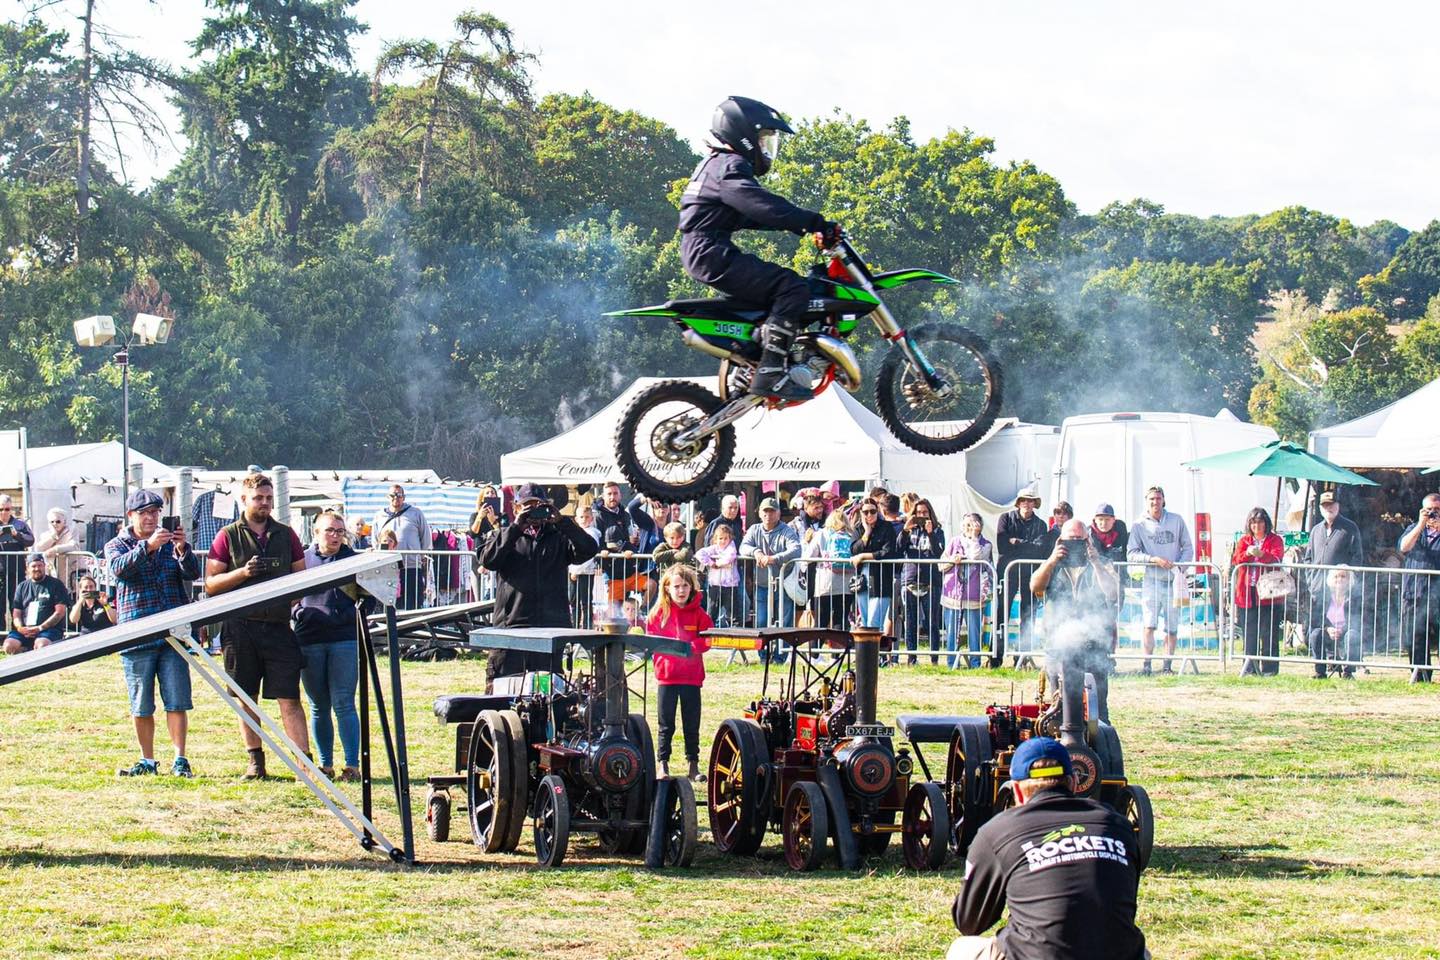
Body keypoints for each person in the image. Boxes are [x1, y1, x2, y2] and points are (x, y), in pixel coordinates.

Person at [678, 95, 840, 401]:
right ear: (744, 134)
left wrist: (799, 225)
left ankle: (760, 354)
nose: (767, 148)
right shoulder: (730, 165)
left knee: (772, 297)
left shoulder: (714, 165)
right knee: (791, 287)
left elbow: (750, 214)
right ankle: (770, 373)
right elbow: (761, 205)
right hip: (710, 252)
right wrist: (815, 222)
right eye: (763, 138)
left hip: (704, 249)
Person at [948, 737, 1148, 960]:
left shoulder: (997, 831)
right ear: (1073, 783)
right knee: (1141, 952)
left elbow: (969, 922)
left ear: (1017, 791)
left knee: (962, 948)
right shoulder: (1118, 825)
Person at [204, 471, 309, 780]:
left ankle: (305, 764)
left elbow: (302, 578)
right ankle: (256, 762)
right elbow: (211, 584)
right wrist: (243, 574)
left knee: (289, 696)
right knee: (244, 696)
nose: (264, 504)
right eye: (258, 498)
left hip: (277, 627)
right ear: (244, 500)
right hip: (239, 627)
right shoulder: (227, 535)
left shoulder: (286, 534)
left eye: (268, 498)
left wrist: (285, 601)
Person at [104, 489, 202, 778]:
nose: (151, 517)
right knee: (141, 702)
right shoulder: (116, 544)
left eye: (155, 512)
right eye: (144, 513)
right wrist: (147, 547)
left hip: (173, 632)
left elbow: (191, 574)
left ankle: (180, 758)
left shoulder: (168, 542)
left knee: (177, 699)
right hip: (137, 634)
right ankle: (147, 760)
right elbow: (119, 570)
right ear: (130, 516)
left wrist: (183, 550)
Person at [476, 483, 599, 689]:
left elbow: (588, 549)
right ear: (516, 508)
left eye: (538, 506)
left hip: (549, 629)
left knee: (548, 695)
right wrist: (516, 527)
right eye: (527, 506)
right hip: (512, 628)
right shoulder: (506, 535)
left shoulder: (559, 537)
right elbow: (488, 560)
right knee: (504, 690)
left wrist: (563, 522)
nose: (533, 511)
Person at [293, 511, 365, 782]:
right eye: (329, 530)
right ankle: (325, 765)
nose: (335, 535)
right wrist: (299, 612)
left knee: (344, 702)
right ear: (316, 533)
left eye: (339, 530)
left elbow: (369, 594)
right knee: (318, 705)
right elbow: (291, 592)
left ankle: (352, 765)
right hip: (309, 638)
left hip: (344, 639)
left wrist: (352, 615)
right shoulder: (303, 559)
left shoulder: (353, 559)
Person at [1031, 520, 1120, 722]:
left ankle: (1098, 749)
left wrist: (1096, 562)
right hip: (1058, 644)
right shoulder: (1052, 564)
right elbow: (1035, 586)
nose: (1075, 544)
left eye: (1079, 539)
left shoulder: (1102, 562)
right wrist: (1053, 560)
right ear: (1060, 540)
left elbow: (1113, 592)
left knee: (1097, 707)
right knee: (1058, 706)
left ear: (1088, 539)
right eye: (1070, 539)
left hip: (1093, 644)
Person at [645, 564, 713, 781]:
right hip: (667, 677)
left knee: (691, 723)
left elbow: (709, 638)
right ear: (667, 588)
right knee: (666, 724)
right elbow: (652, 640)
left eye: (685, 585)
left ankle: (693, 765)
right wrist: (669, 650)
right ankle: (662, 764)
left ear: (691, 587)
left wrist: (692, 647)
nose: (681, 590)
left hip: (692, 678)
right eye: (676, 586)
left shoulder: (700, 613)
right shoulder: (658, 613)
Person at [1127, 486, 1194, 675]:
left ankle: (1167, 665)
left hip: (1174, 582)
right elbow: (1131, 553)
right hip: (1151, 581)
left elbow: (1188, 547)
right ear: (1146, 501)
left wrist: (1179, 566)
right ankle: (1146, 665)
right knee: (1149, 624)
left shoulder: (1177, 520)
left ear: (1163, 500)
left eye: (1158, 498)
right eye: (1151, 499)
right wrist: (1152, 559)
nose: (1155, 502)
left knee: (1172, 627)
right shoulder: (1139, 525)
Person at [996, 488, 1050, 664]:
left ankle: (1023, 656)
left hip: (1030, 574)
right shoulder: (1005, 519)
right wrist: (1027, 546)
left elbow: (1040, 550)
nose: (1027, 504)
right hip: (1008, 572)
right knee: (1001, 613)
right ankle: (996, 656)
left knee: (1028, 614)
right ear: (1018, 503)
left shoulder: (1041, 525)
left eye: (1030, 501)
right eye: (1024, 501)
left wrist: (1017, 542)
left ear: (1035, 504)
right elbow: (1002, 545)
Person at [1231, 507, 1286, 677]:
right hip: (1247, 593)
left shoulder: (1275, 540)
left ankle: (1269, 669)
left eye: (1260, 521)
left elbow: (1276, 558)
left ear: (1266, 523)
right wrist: (1248, 553)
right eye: (1253, 522)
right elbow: (1236, 559)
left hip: (1269, 594)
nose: (1257, 525)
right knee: (1249, 632)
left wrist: (1261, 554)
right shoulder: (1244, 541)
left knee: (1269, 632)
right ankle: (1249, 668)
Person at [1305, 490, 1363, 638]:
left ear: (1338, 506)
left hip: (1340, 589)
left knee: (1342, 629)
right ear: (1320, 508)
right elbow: (1308, 558)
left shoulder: (1350, 528)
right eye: (1325, 505)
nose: (1328, 508)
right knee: (1318, 631)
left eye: (1331, 505)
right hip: (1318, 589)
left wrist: (1350, 580)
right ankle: (1321, 661)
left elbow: (1357, 557)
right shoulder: (1315, 530)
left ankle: (1342, 659)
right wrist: (1311, 580)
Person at [740, 497, 802, 633]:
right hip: (762, 584)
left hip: (784, 584)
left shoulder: (787, 530)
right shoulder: (754, 529)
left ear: (778, 513)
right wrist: (756, 552)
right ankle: (763, 653)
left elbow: (796, 549)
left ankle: (781, 653)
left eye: (772, 511)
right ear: (760, 513)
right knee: (761, 621)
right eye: (765, 511)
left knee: (785, 622)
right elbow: (743, 547)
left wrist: (775, 558)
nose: (768, 515)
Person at [1397, 492, 1440, 683]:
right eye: (1429, 509)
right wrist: (1421, 525)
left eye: (1437, 510)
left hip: (1438, 593)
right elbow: (1404, 548)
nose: (1433, 513)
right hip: (1415, 592)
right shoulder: (1413, 528)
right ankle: (1421, 675)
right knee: (1414, 635)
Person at [941, 514, 993, 669]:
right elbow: (940, 564)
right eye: (966, 525)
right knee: (951, 631)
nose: (968, 528)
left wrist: (974, 538)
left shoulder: (986, 544)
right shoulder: (954, 542)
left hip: (974, 595)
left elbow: (976, 557)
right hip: (953, 593)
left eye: (972, 525)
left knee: (974, 632)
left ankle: (975, 663)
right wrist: (952, 560)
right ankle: (952, 663)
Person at [897, 498, 945, 665]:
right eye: (918, 513)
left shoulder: (938, 530)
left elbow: (939, 553)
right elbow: (898, 549)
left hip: (931, 580)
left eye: (925, 512)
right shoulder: (909, 529)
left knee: (932, 621)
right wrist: (904, 530)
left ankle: (934, 658)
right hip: (910, 579)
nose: (922, 516)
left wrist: (931, 533)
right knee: (910, 621)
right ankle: (912, 657)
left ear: (930, 513)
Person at [372, 485, 433, 609]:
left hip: (411, 565)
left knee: (413, 603)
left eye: (399, 495)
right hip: (388, 567)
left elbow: (425, 538)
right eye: (393, 495)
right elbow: (375, 540)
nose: (396, 498)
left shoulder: (415, 513)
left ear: (403, 497)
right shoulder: (379, 516)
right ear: (387, 497)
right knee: (391, 603)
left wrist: (420, 556)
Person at [851, 497, 898, 638]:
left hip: (881, 580)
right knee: (865, 622)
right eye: (866, 512)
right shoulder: (859, 528)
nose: (869, 515)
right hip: (862, 581)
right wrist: (866, 533)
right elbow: (854, 550)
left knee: (874, 622)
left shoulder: (886, 527)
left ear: (877, 511)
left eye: (872, 511)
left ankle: (878, 656)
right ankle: (867, 657)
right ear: (861, 513)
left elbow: (887, 552)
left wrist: (864, 556)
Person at [5, 552, 69, 653]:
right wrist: (20, 627)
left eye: (40, 565)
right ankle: (27, 654)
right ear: (28, 568)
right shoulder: (22, 587)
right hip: (26, 630)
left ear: (45, 566)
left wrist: (40, 627)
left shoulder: (56, 584)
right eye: (33, 566)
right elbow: (16, 613)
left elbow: (60, 612)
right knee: (9, 645)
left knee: (42, 645)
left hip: (48, 629)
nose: (37, 569)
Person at [1089, 503, 1129, 658]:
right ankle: (1096, 657)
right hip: (1096, 585)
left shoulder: (1121, 530)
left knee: (1111, 620)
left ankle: (1110, 658)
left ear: (1113, 520)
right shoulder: (1089, 533)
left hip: (1117, 582)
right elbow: (1093, 556)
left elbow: (1122, 553)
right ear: (1094, 519)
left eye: (1107, 519)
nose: (1103, 523)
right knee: (1096, 621)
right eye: (1100, 519)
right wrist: (1106, 565)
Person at [1308, 566, 1362, 679]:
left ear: (1349, 580)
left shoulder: (1355, 597)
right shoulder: (1322, 596)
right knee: (1316, 634)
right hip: (1328, 632)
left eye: (1343, 576)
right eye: (1336, 576)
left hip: (1345, 632)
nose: (1339, 579)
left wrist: (1342, 629)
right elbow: (1316, 618)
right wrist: (1328, 628)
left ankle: (1348, 672)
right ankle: (1320, 672)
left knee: (1353, 635)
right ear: (1331, 579)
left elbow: (1357, 619)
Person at [806, 508, 856, 630]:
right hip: (846, 584)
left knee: (821, 622)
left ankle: (816, 648)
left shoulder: (821, 534)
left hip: (825, 584)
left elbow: (808, 556)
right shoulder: (852, 535)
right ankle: (843, 648)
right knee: (841, 619)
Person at [0, 494, 36, 631]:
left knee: (16, 604)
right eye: (1, 509)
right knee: (0, 605)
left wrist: (17, 535)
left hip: (16, 571)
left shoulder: (20, 524)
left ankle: (18, 633)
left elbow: (31, 540)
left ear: (11, 510)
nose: (4, 512)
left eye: (7, 509)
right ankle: (1, 636)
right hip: (1, 572)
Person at [696, 524, 742, 629]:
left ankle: (734, 631)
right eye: (720, 538)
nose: (723, 541)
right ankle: (708, 631)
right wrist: (711, 563)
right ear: (716, 539)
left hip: (730, 584)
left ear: (730, 538)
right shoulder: (714, 548)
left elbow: (730, 556)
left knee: (731, 611)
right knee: (712, 610)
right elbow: (700, 553)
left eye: (726, 538)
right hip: (715, 584)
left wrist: (718, 564)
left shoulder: (731, 547)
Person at [569, 504, 603, 628]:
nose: (584, 520)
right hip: (573, 571)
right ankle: (574, 626)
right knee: (573, 601)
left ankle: (587, 626)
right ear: (576, 519)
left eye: (586, 517)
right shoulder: (575, 533)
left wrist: (577, 571)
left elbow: (589, 555)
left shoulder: (592, 533)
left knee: (585, 601)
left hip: (585, 572)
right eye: (581, 517)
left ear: (591, 519)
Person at [35, 507, 83, 588]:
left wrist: (56, 549)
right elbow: (38, 548)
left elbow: (74, 545)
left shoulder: (71, 531)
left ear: (64, 522)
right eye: (52, 522)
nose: (55, 524)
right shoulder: (45, 535)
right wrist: (53, 537)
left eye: (58, 521)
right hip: (52, 572)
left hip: (70, 570)